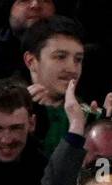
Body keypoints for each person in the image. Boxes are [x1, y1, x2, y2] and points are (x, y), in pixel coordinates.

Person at [21, 16, 86, 153]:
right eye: (60, 57)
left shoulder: (88, 115)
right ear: (31, 61)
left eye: (78, 59)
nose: (72, 69)